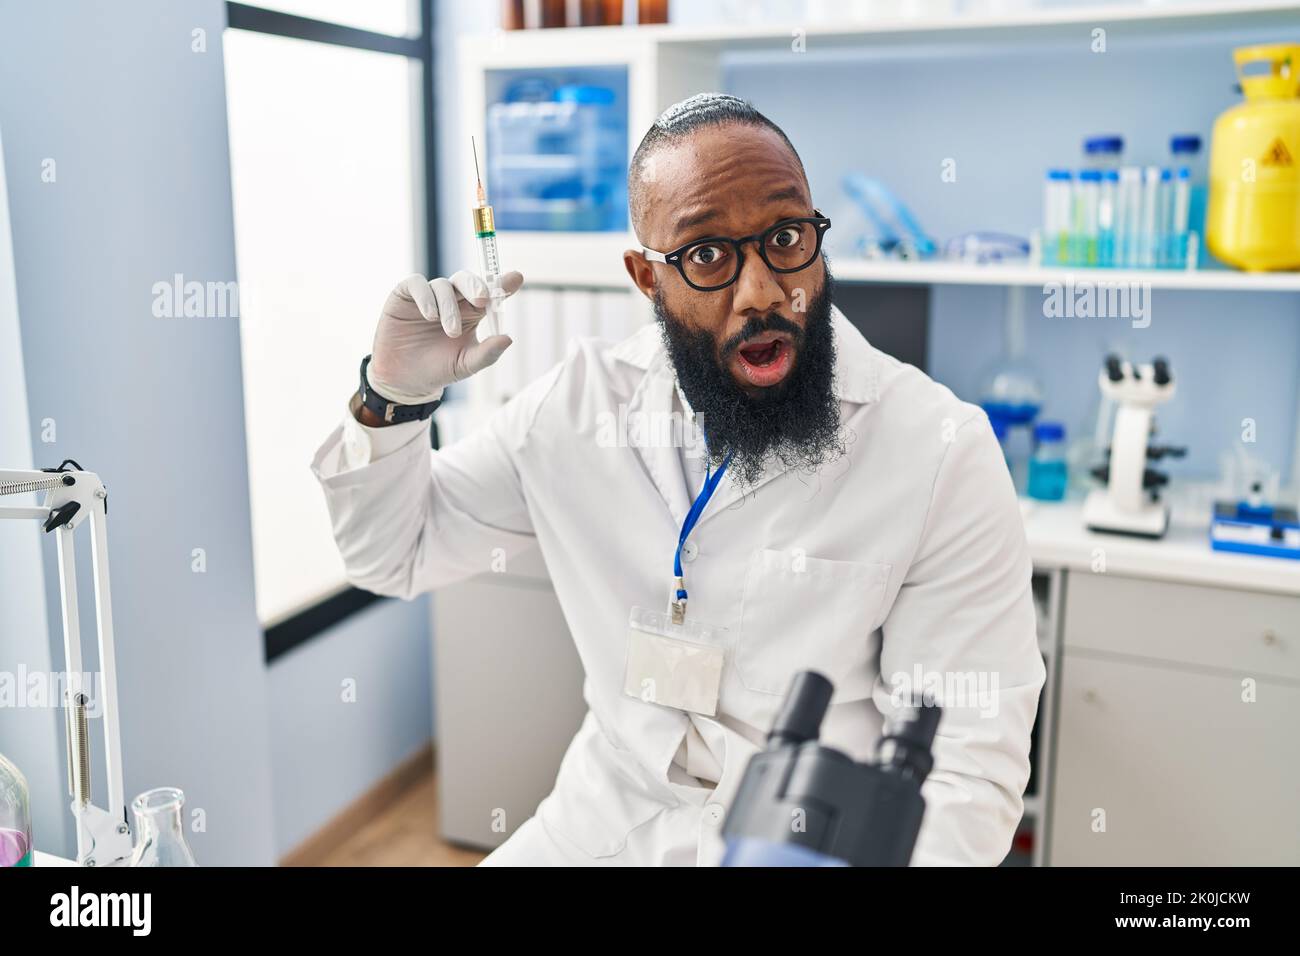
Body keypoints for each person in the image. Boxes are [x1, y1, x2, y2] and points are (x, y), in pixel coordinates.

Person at [311, 93, 1045, 866]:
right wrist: (392, 398)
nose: (763, 290)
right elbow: (390, 554)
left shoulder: (936, 449)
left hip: (807, 844)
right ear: (645, 276)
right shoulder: (578, 409)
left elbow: (966, 773)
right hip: (603, 826)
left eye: (786, 237)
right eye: (707, 255)